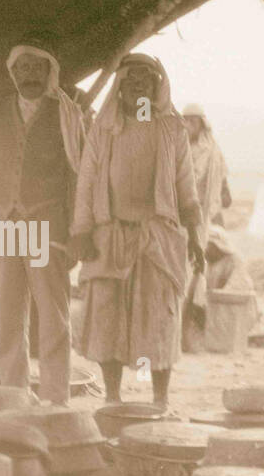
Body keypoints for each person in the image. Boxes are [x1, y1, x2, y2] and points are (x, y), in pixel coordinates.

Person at [73, 53, 204, 408]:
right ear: (120, 87)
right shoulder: (105, 128)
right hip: (110, 234)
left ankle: (159, 400)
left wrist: (195, 236)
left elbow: (186, 188)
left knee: (157, 319)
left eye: (146, 79)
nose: (138, 85)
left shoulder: (171, 129)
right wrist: (82, 231)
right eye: (131, 79)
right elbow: (86, 182)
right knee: (107, 318)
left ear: (157, 86)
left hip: (157, 238)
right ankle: (113, 399)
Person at [0, 33, 85, 404]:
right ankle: (12, 394)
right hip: (4, 222)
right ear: (13, 72)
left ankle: (56, 397)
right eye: (22, 67)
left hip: (48, 224)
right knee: (8, 314)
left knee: (53, 317)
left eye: (37, 67)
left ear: (50, 70)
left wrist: (76, 232)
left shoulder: (67, 114)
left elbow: (77, 176)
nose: (29, 75)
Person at [182, 104, 231, 229]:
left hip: (211, 211)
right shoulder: (178, 150)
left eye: (192, 121)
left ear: (201, 124)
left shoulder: (212, 150)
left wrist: (224, 192)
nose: (188, 125)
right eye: (185, 121)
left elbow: (222, 180)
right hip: (186, 211)